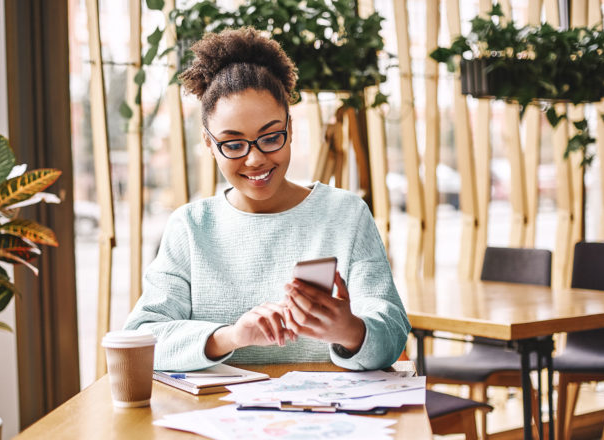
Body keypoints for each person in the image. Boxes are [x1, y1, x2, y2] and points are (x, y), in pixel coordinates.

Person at [124, 27, 410, 371]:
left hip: (328, 414)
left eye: (271, 137)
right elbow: (142, 338)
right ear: (207, 142)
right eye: (233, 144)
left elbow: (393, 334)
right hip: (217, 418)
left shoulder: (346, 214)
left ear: (291, 128)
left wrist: (350, 330)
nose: (255, 159)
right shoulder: (191, 226)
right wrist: (232, 336)